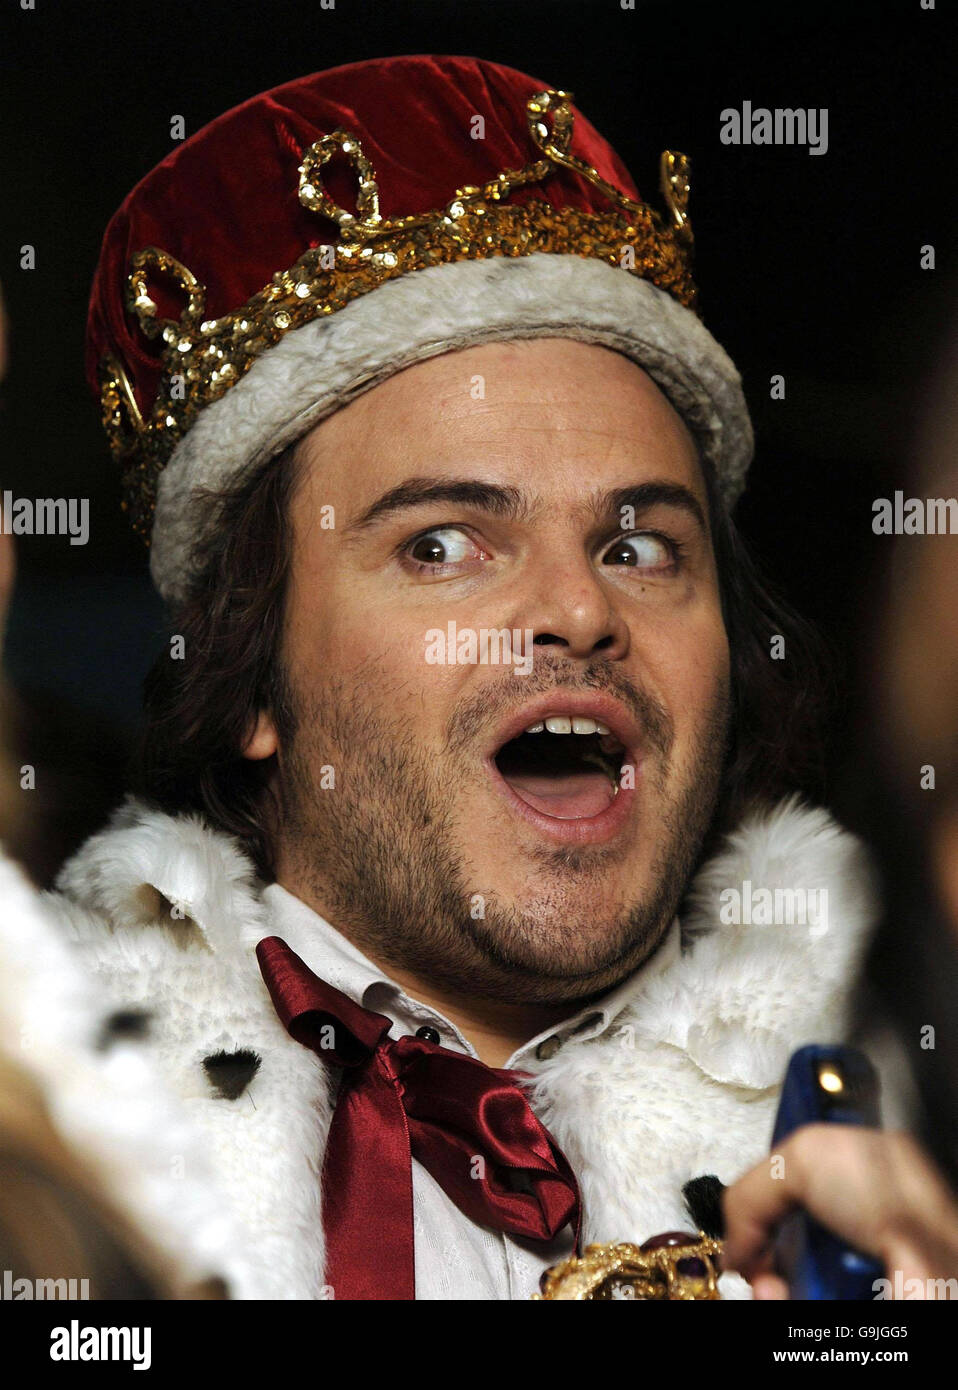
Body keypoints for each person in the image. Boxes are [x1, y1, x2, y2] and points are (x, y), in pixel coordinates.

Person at [48, 54, 880, 1300]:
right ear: (256, 677)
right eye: (441, 543)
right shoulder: (61, 1139)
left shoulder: (895, 1105)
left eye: (640, 545)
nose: (579, 609)